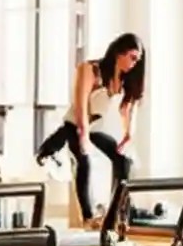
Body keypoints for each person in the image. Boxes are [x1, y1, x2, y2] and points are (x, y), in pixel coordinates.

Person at [35, 32, 146, 224]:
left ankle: (117, 212)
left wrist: (128, 135)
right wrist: (83, 135)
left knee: (123, 160)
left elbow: (128, 108)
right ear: (120, 52)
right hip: (75, 124)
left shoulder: (124, 79)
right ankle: (88, 216)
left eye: (138, 60)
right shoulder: (91, 70)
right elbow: (81, 105)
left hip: (95, 126)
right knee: (84, 161)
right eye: (132, 58)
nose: (134, 63)